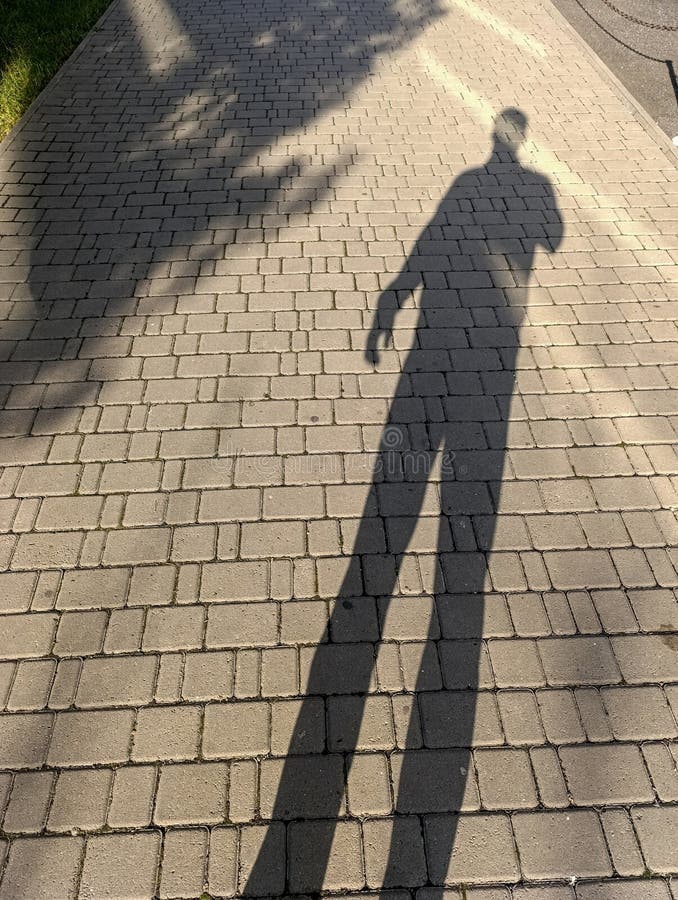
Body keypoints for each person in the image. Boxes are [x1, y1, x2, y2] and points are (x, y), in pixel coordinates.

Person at [243, 107, 563, 896]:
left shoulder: (463, 182)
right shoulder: (535, 188)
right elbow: (553, 239)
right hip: (488, 369)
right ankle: (447, 598)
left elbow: (428, 238)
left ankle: (379, 590)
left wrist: (394, 295)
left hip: (438, 354)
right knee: (464, 539)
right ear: (519, 141)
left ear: (496, 138)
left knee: (384, 532)